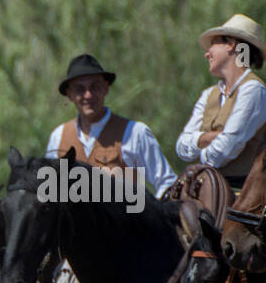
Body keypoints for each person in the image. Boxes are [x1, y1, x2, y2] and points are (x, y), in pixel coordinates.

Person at [47, 54, 177, 198]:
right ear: (70, 95)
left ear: (106, 88)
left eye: (95, 87)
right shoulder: (58, 137)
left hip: (129, 220)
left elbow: (167, 183)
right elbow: (50, 194)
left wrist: (150, 215)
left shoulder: (135, 133)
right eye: (79, 89)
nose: (88, 95)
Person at [175, 14, 266, 191]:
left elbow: (224, 151)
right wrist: (209, 137)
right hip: (209, 191)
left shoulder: (253, 91)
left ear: (232, 44)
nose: (207, 53)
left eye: (214, 44)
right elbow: (181, 147)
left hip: (244, 199)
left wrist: (200, 147)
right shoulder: (208, 95)